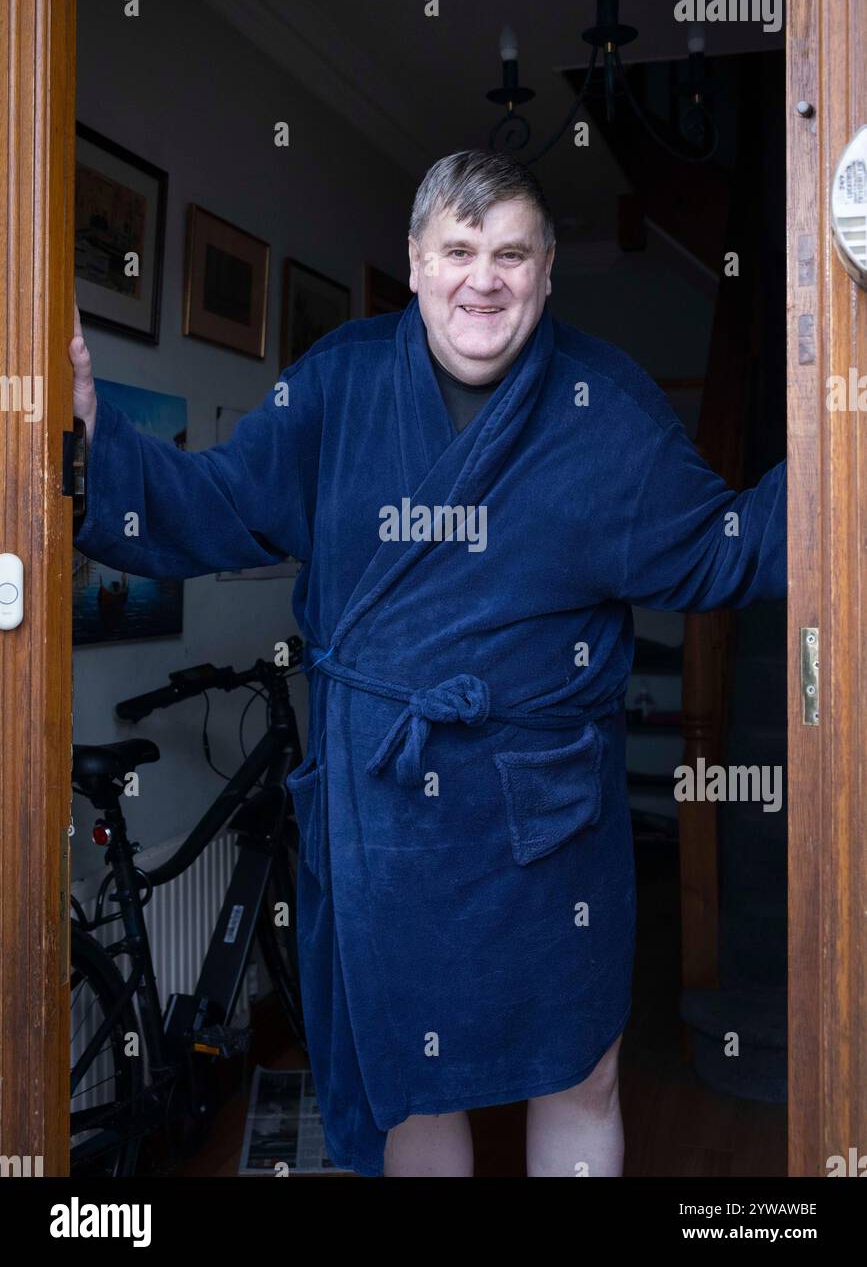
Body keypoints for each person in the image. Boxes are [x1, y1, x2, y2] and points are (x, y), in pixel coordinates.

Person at [70, 149, 786, 1177]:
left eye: (511, 254)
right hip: (388, 819)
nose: (482, 280)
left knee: (578, 1072)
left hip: (548, 827)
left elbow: (723, 549)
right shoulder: (340, 381)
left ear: (547, 271)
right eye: (458, 250)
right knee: (409, 1079)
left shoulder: (606, 407)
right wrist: (93, 431)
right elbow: (214, 502)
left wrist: (841, 450)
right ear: (415, 262)